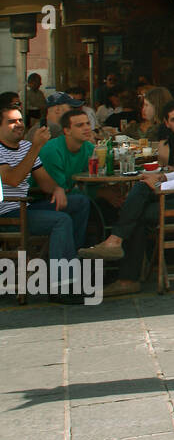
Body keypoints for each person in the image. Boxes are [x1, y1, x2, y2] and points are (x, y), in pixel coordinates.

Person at [78, 100, 174, 297]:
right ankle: (116, 247)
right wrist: (161, 177)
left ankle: (123, 266)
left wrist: (160, 186)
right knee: (142, 188)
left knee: (139, 213)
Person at [0, 105, 92, 302]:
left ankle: (72, 265)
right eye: (11, 121)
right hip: (7, 213)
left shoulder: (25, 147)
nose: (18, 125)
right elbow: (13, 179)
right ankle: (59, 286)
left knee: (80, 202)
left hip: (26, 208)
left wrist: (57, 188)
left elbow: (44, 181)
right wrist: (36, 147)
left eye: (20, 120)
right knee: (61, 220)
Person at [39, 109, 123, 237]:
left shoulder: (89, 148)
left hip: (73, 196)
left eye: (88, 124)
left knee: (119, 206)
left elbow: (94, 179)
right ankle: (79, 250)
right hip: (43, 200)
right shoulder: (52, 150)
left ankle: (109, 248)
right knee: (88, 203)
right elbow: (60, 189)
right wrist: (101, 193)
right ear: (67, 130)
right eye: (80, 125)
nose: (86, 128)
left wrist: (110, 191)